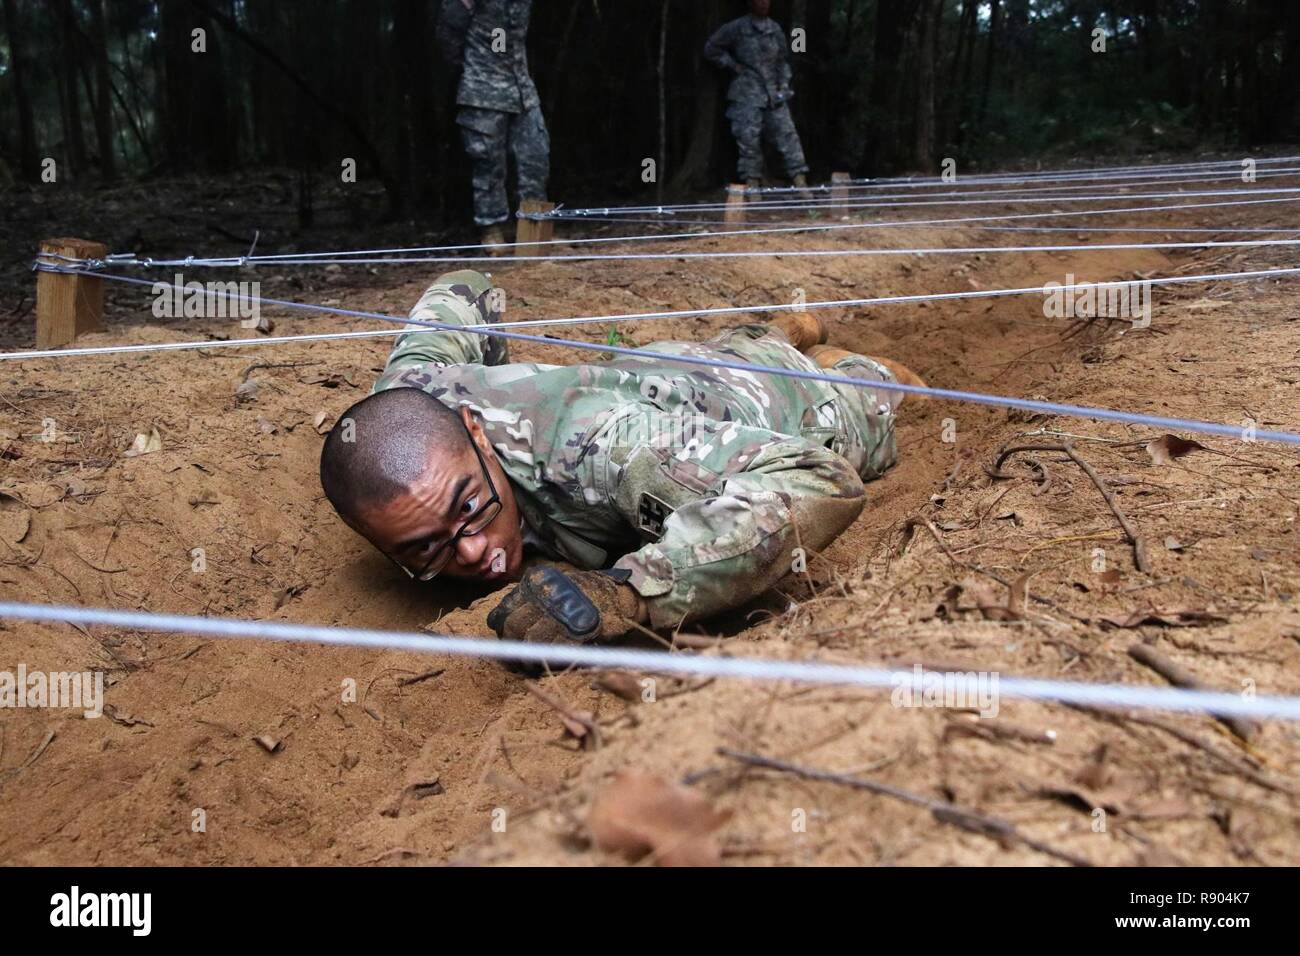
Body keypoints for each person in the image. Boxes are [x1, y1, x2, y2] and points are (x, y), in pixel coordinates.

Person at [319, 270, 925, 651]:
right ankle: (773, 333)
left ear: (476, 434)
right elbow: (464, 285)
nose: (473, 551)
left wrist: (629, 592)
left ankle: (826, 363)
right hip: (656, 371)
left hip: (768, 406)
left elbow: (818, 478)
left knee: (882, 397)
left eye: (470, 508)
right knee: (720, 358)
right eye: (426, 551)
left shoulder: (602, 454)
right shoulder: (410, 393)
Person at [437, 0, 549, 252]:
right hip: (482, 89)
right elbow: (448, 36)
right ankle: (492, 232)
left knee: (536, 156)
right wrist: (471, 74)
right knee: (488, 164)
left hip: (522, 89)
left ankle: (534, 232)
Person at [704, 0, 810, 191]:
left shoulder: (774, 29)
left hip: (774, 93)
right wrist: (732, 65)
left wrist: (784, 84)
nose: (763, 4)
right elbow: (711, 48)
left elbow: (783, 61)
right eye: (759, 1)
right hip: (747, 92)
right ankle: (752, 186)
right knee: (748, 140)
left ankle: (801, 183)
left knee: (788, 136)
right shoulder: (737, 27)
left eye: (766, 1)